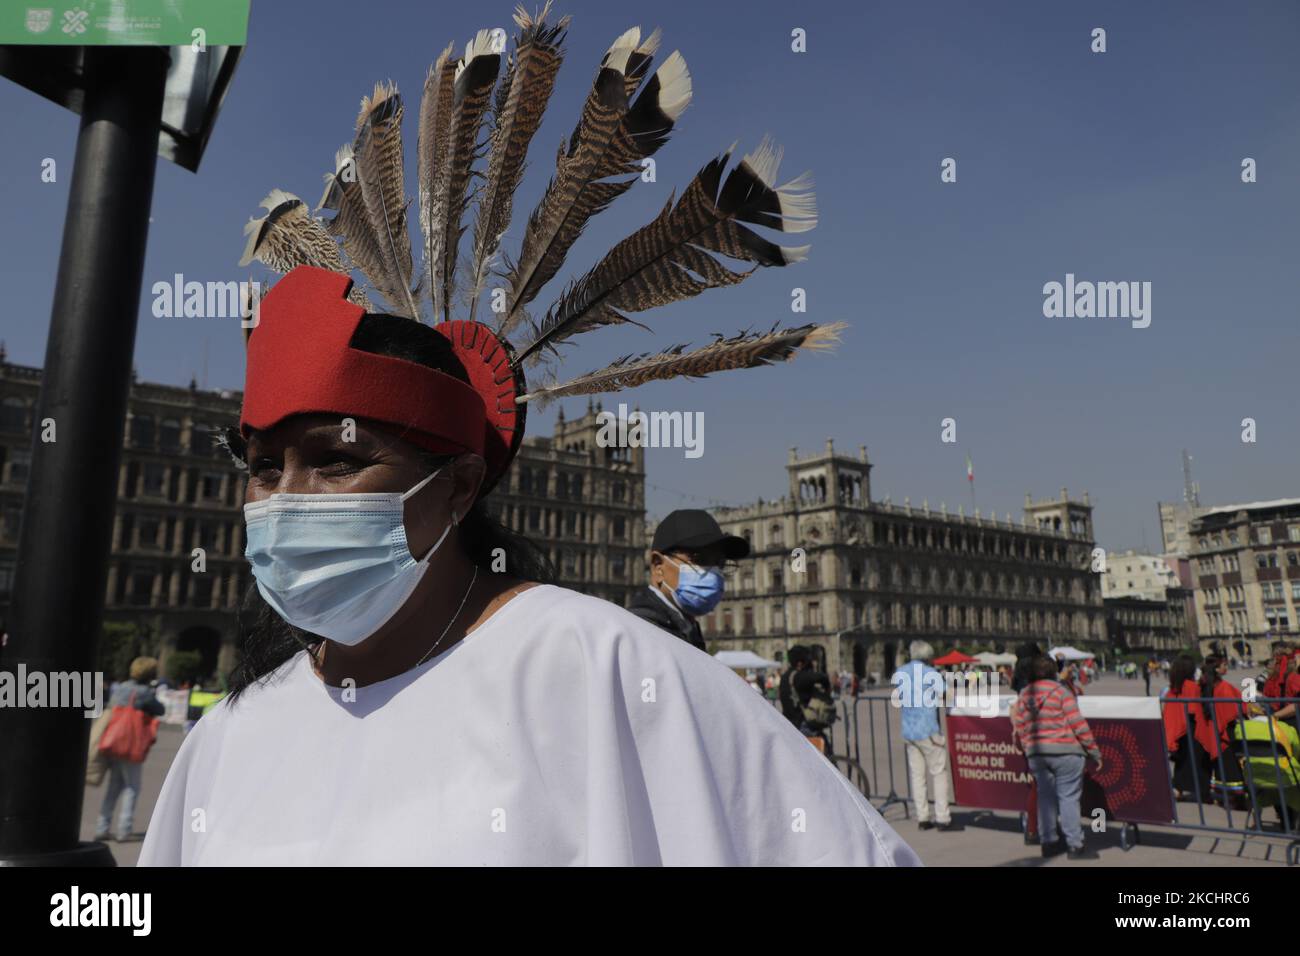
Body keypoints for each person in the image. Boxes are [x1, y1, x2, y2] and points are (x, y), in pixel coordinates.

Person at [139, 261, 914, 866]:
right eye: (266, 465)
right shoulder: (233, 731)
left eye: (337, 463)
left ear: (459, 488)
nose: (288, 500)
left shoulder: (612, 673)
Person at [1010, 655, 1102, 860]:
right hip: (1065, 751)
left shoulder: (1025, 694)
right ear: (1053, 671)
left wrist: (1028, 748)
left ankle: (1049, 842)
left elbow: (1021, 726)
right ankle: (1075, 845)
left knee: (1045, 798)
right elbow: (1078, 723)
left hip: (1037, 753)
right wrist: (1093, 751)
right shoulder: (1063, 692)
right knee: (1069, 798)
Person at [628, 509, 748, 652]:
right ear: (658, 566)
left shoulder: (684, 627)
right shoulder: (643, 630)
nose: (713, 572)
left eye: (719, 563)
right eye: (698, 559)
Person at [94, 657, 166, 843]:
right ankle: (124, 829)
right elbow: (160, 710)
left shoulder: (122, 687)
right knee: (132, 787)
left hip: (114, 741)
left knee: (114, 786)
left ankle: (102, 826)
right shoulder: (144, 693)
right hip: (131, 745)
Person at [892, 641, 962, 832]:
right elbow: (946, 696)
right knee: (938, 773)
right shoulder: (931, 674)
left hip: (909, 730)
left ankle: (922, 817)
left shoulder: (901, 672)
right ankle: (943, 817)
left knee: (917, 776)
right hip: (929, 729)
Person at [1162, 655, 1204, 800]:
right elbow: (1196, 708)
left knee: (1182, 761)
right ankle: (1202, 791)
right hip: (1191, 727)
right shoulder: (1192, 687)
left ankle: (1178, 788)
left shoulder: (1172, 689)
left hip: (1177, 730)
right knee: (1198, 760)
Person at [779, 645, 811, 728]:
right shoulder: (801, 676)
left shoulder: (784, 677)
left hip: (787, 724)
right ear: (800, 663)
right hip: (800, 724)